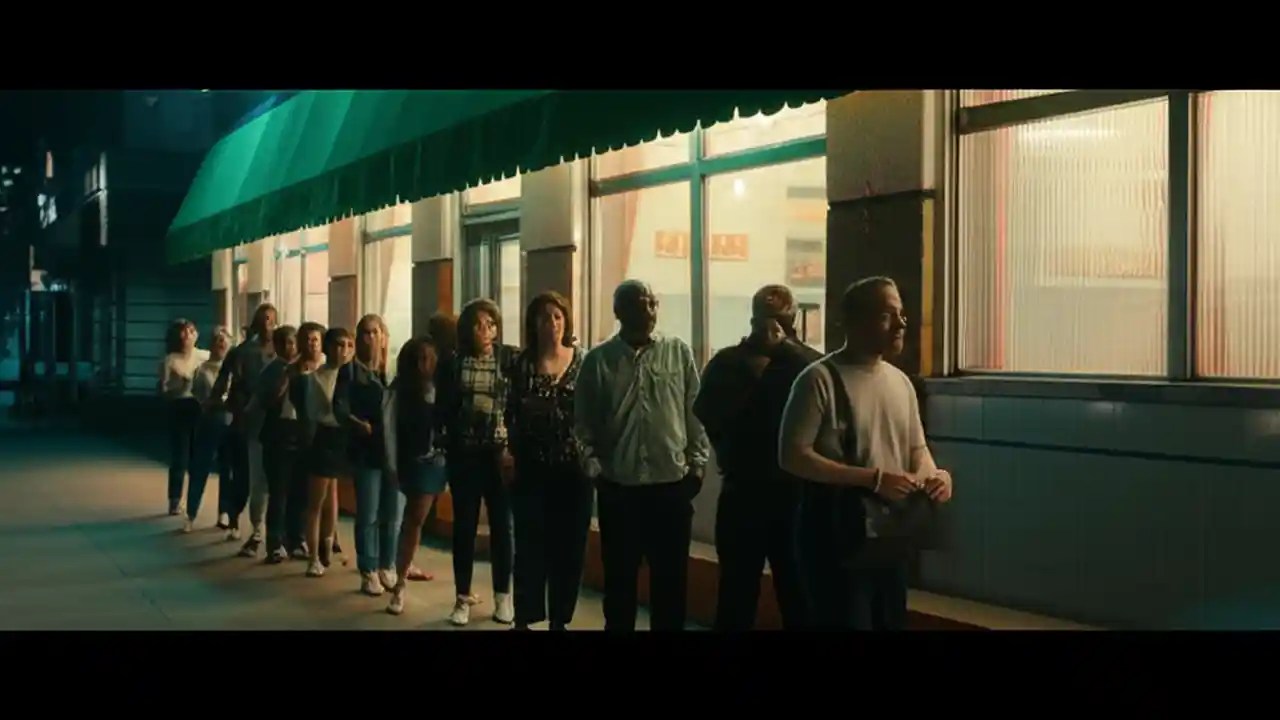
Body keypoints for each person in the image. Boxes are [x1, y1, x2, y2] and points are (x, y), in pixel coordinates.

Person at [778, 276, 954, 630]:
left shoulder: (900, 382)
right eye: (887, 315)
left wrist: (937, 476)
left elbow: (916, 449)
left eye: (901, 314)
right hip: (835, 535)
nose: (901, 324)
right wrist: (872, 479)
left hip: (888, 537)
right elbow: (792, 455)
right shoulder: (818, 380)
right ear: (855, 321)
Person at [574, 280, 710, 631]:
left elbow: (695, 413)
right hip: (620, 489)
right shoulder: (598, 361)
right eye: (638, 305)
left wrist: (697, 466)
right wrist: (594, 468)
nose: (648, 311)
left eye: (651, 303)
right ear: (619, 312)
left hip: (671, 487)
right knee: (619, 587)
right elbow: (583, 423)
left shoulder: (678, 352)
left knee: (670, 586)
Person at [695, 285, 820, 631]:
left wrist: (786, 351)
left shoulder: (805, 365)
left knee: (797, 593)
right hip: (746, 490)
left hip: (792, 495)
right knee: (737, 595)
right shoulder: (728, 363)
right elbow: (707, 414)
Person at [505, 291, 591, 631]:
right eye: (544, 317)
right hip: (530, 468)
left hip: (574, 470)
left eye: (557, 316)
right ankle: (524, 617)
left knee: (569, 548)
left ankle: (559, 618)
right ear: (533, 324)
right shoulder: (521, 365)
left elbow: (597, 411)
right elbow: (506, 411)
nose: (552, 323)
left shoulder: (583, 363)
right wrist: (506, 451)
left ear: (566, 321)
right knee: (529, 547)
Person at [435, 298, 519, 626]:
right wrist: (445, 441)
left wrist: (514, 446)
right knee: (465, 527)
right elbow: (442, 408)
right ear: (467, 329)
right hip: (465, 454)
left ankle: (503, 597)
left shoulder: (509, 359)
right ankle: (462, 598)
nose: (485, 331)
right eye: (478, 325)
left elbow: (518, 404)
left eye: (491, 324)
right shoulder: (454, 362)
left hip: (499, 454)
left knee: (502, 526)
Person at [383, 335, 446, 616]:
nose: (425, 364)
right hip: (415, 462)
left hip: (441, 460)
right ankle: (400, 583)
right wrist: (392, 466)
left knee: (417, 520)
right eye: (420, 359)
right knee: (413, 519)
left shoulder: (443, 388)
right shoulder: (399, 392)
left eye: (430, 358)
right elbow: (389, 432)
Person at [341, 314, 404, 596]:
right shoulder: (349, 373)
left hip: (395, 452)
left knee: (393, 512)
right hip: (366, 451)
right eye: (365, 333)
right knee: (368, 512)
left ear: (384, 337)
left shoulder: (393, 372)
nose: (371, 338)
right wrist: (358, 425)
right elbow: (340, 408)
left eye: (375, 332)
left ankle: (388, 564)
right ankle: (368, 568)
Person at [211, 303, 277, 550]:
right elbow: (225, 379)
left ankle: (264, 528)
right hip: (245, 419)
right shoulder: (242, 352)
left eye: (271, 318)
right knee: (243, 473)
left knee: (266, 478)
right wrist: (220, 402)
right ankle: (235, 517)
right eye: (263, 318)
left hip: (272, 420)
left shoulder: (281, 352)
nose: (267, 323)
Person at [299, 327, 356, 578]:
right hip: (325, 435)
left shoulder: (354, 376)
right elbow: (312, 413)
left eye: (349, 345)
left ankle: (328, 544)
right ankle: (312, 556)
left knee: (333, 494)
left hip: (346, 436)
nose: (344, 351)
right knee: (316, 500)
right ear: (328, 348)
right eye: (339, 345)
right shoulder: (316, 378)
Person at [256, 325, 301, 564]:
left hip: (299, 431)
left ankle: (296, 539)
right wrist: (286, 378)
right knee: (278, 492)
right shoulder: (271, 370)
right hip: (277, 434)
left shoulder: (305, 368)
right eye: (282, 343)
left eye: (291, 342)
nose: (288, 347)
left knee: (297, 492)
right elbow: (266, 401)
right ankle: (274, 542)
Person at [158, 318, 210, 517]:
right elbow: (163, 390)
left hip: (201, 407)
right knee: (180, 456)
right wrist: (180, 386)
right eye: (184, 331)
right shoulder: (170, 360)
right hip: (179, 406)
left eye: (191, 330)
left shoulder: (204, 356)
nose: (188, 334)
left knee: (198, 457)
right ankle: (175, 499)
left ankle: (194, 500)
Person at [189, 326, 235, 533]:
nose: (221, 344)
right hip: (209, 420)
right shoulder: (202, 370)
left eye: (225, 341)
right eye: (218, 341)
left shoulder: (235, 370)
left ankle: (224, 511)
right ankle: (192, 511)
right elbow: (199, 396)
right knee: (201, 466)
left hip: (230, 422)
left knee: (228, 469)